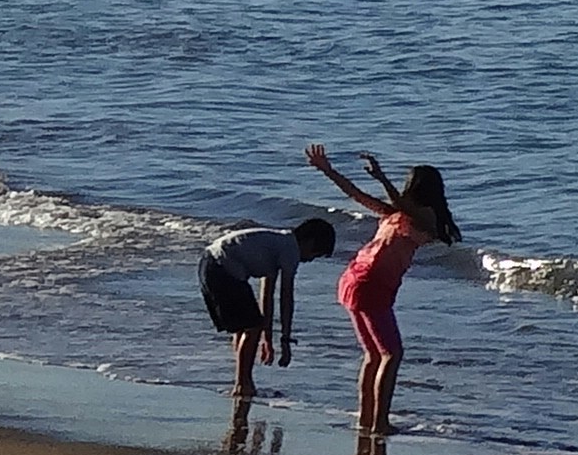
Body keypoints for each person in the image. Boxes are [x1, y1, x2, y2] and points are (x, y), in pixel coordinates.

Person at [304, 142, 462, 439]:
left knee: (374, 355)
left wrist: (338, 172)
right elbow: (358, 195)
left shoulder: (421, 217)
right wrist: (334, 172)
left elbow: (377, 201)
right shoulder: (405, 214)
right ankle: (379, 422)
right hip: (370, 283)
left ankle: (367, 419)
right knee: (391, 354)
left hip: (357, 279)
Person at [197, 213, 338, 401]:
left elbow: (267, 296)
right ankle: (242, 383)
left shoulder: (276, 242)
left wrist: (268, 339)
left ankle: (243, 381)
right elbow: (286, 297)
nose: (310, 260)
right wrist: (286, 340)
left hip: (209, 263)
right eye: (315, 254)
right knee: (251, 326)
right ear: (310, 242)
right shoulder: (291, 250)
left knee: (245, 327)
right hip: (223, 267)